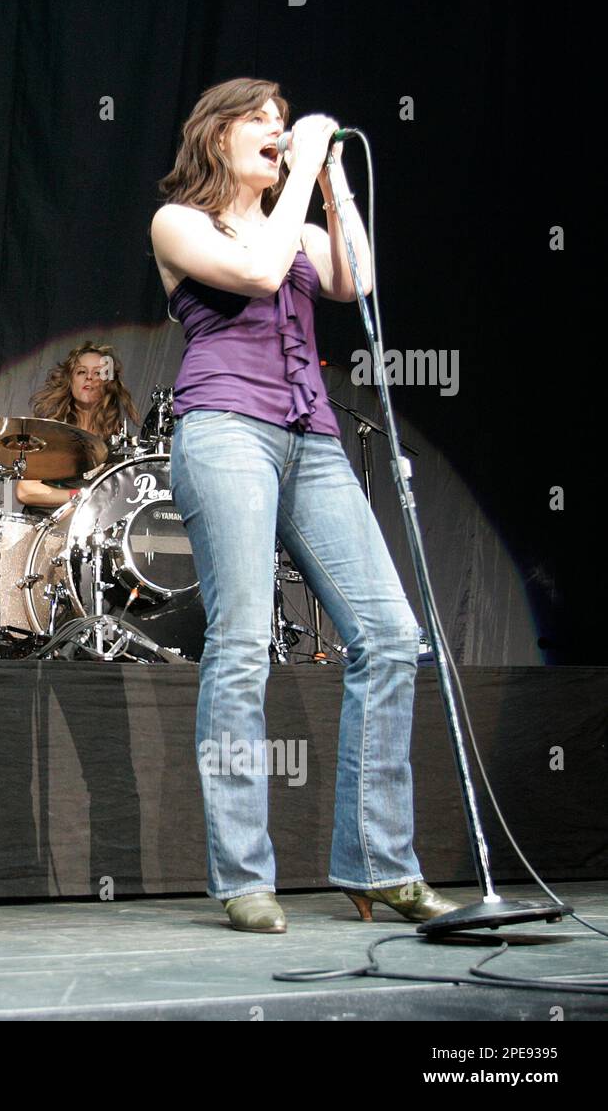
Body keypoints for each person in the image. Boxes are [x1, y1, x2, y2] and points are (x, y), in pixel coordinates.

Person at [149, 77, 460, 933]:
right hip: (225, 430)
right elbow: (253, 273)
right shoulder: (180, 222)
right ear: (218, 137)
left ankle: (380, 868)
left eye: (285, 124)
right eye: (263, 123)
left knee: (392, 637)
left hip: (312, 438)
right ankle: (244, 877)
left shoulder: (301, 218)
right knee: (243, 644)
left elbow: (355, 280)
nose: (279, 133)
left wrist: (333, 182)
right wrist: (303, 174)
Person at [15, 341, 139, 518]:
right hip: (43, 530)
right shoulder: (50, 432)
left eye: (97, 373)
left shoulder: (121, 445)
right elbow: (25, 491)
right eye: (81, 371)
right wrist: (79, 496)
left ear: (109, 383)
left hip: (90, 536)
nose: (89, 377)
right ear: (70, 381)